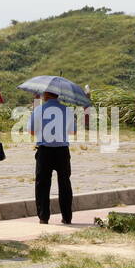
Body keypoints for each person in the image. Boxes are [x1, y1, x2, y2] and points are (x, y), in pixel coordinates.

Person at [31, 91, 75, 225]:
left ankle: (44, 217)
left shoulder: (39, 110)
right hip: (62, 151)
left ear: (45, 95)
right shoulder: (67, 110)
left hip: (45, 151)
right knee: (65, 183)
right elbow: (73, 131)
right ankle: (67, 217)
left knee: (42, 184)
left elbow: (31, 131)